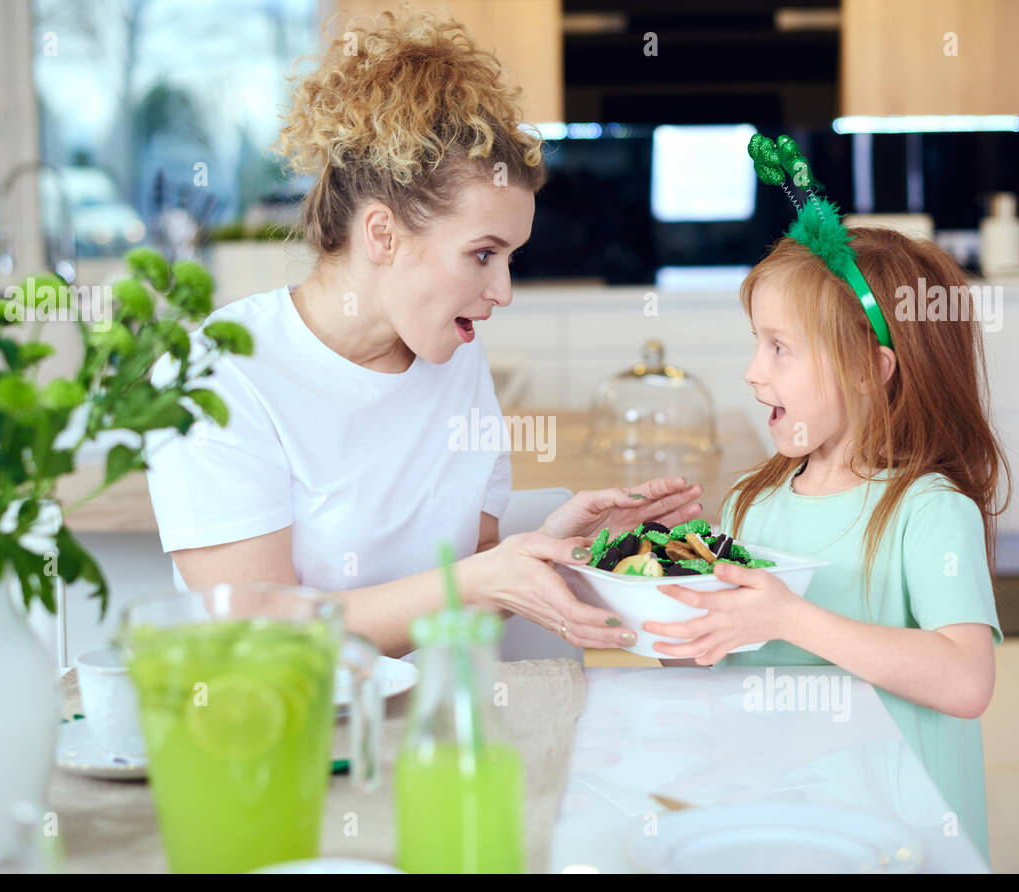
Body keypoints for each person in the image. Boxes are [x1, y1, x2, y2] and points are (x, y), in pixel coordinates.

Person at [143, 9, 706, 656]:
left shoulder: (453, 356)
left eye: (511, 257)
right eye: (483, 253)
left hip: (440, 725)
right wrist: (483, 579)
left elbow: (469, 595)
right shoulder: (223, 373)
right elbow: (259, 636)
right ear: (382, 233)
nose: (504, 291)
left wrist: (560, 546)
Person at [644, 226, 1011, 866]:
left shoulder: (927, 512)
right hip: (784, 821)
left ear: (871, 369)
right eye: (757, 344)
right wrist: (654, 604)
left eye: (779, 348)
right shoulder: (750, 504)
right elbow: (717, 662)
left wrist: (791, 616)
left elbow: (966, 680)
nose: (753, 372)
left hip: (901, 839)